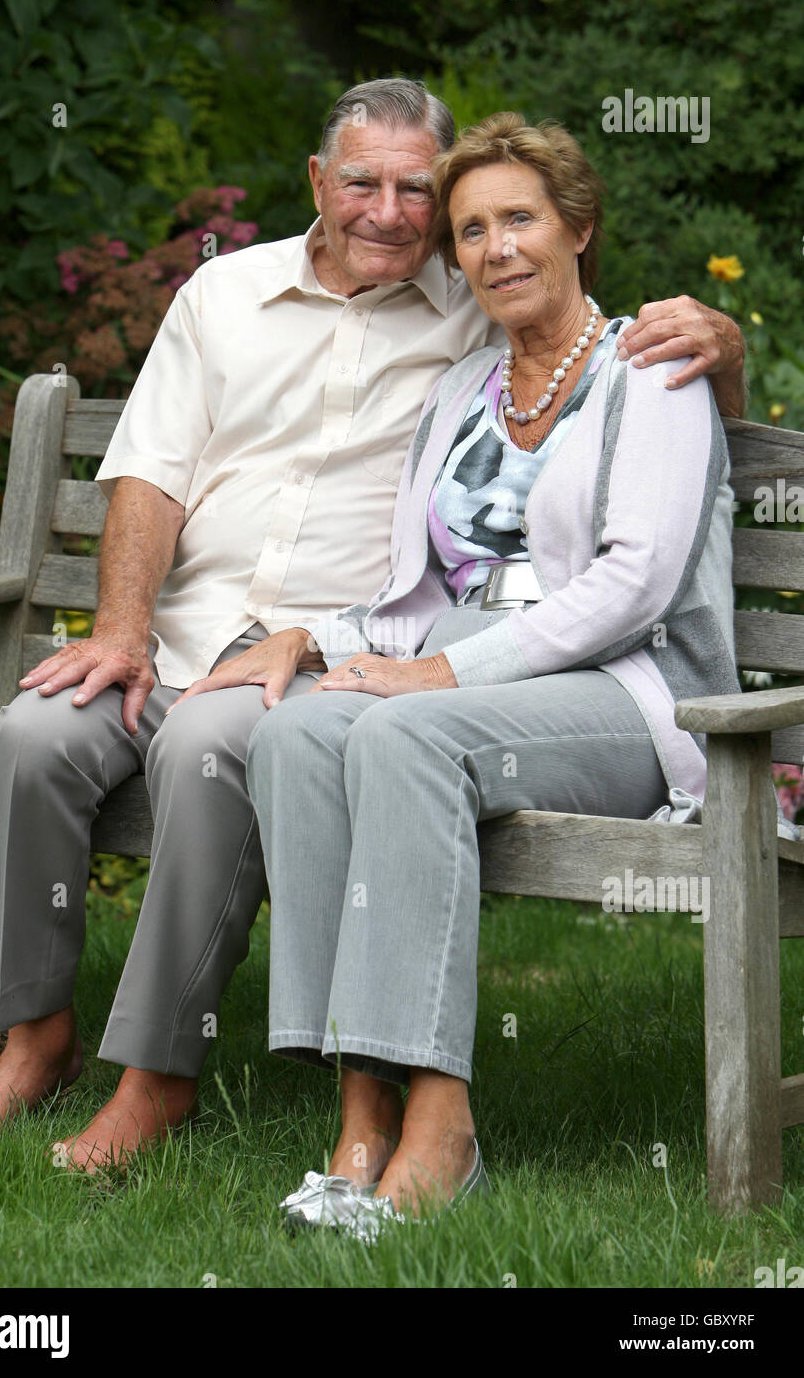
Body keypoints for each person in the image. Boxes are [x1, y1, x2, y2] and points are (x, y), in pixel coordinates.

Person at [0, 80, 743, 1172]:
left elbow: (634, 514)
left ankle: (168, 1076)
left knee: (241, 744)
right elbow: (160, 475)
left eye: (427, 194)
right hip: (203, 637)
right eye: (366, 182)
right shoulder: (261, 306)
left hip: (476, 672)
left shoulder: (530, 326)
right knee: (35, 736)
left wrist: (723, 347)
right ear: (318, 181)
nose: (396, 213)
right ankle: (52, 1041)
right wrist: (137, 630)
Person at [244, 111, 740, 1239]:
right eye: (469, 230)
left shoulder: (648, 371)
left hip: (629, 691)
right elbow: (416, 592)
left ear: (577, 228)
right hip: (472, 675)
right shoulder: (463, 391)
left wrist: (442, 678)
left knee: (407, 733)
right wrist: (315, 641)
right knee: (300, 730)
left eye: (519, 219)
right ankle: (360, 1114)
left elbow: (635, 585)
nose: (495, 248)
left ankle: (444, 1129)